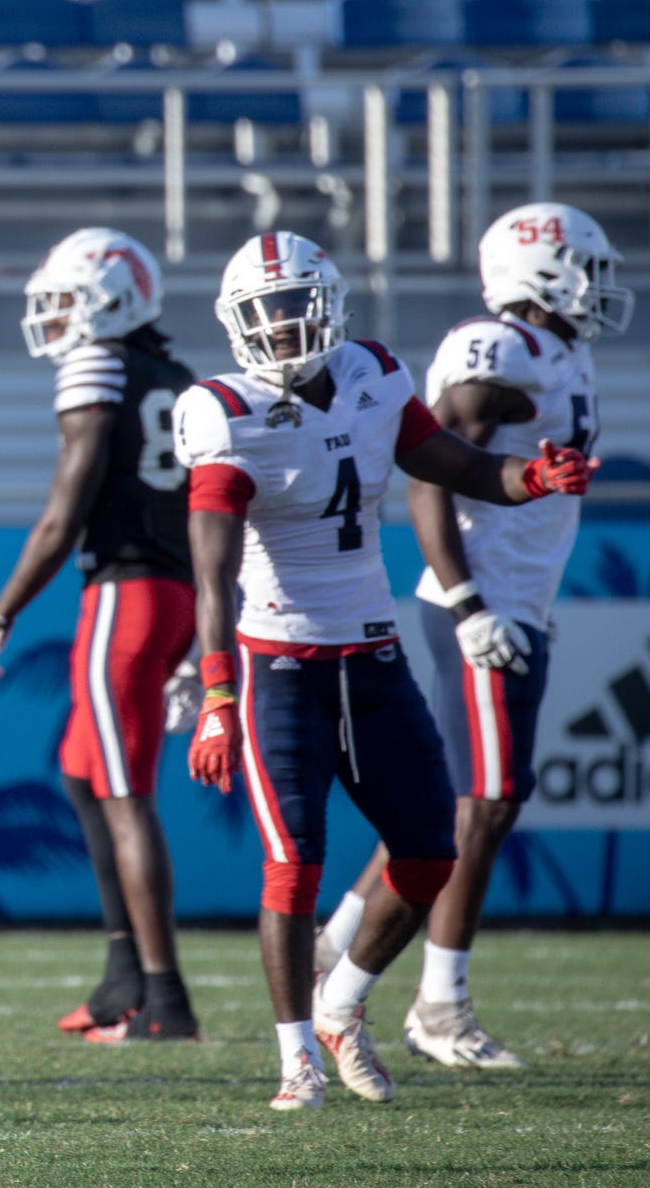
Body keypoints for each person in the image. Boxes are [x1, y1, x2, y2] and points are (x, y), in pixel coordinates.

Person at [173, 231, 595, 1110]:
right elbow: (209, 571)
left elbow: (455, 463)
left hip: (372, 657)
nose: (284, 327)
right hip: (278, 664)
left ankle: (341, 1005)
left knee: (430, 853)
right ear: (238, 323)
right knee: (294, 864)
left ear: (327, 306)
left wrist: (530, 476)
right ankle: (296, 1057)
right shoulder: (224, 409)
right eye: (266, 313)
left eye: (296, 307)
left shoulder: (372, 375)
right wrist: (217, 694)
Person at [313, 203, 628, 1070]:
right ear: (537, 270)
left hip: (515, 598)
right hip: (481, 605)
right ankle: (439, 1004)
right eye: (580, 265)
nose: (598, 284)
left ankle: (331, 942)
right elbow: (430, 475)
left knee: (451, 801)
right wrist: (467, 603)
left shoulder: (559, 349)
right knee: (483, 805)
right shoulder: (503, 350)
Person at [0, 229, 199, 1042]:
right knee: (81, 771)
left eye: (66, 299)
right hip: (170, 592)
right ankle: (122, 977)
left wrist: (2, 611)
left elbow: (66, 514)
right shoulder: (176, 376)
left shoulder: (100, 367)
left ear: (108, 298)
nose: (57, 316)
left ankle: (164, 1001)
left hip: (126, 595)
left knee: (125, 793)